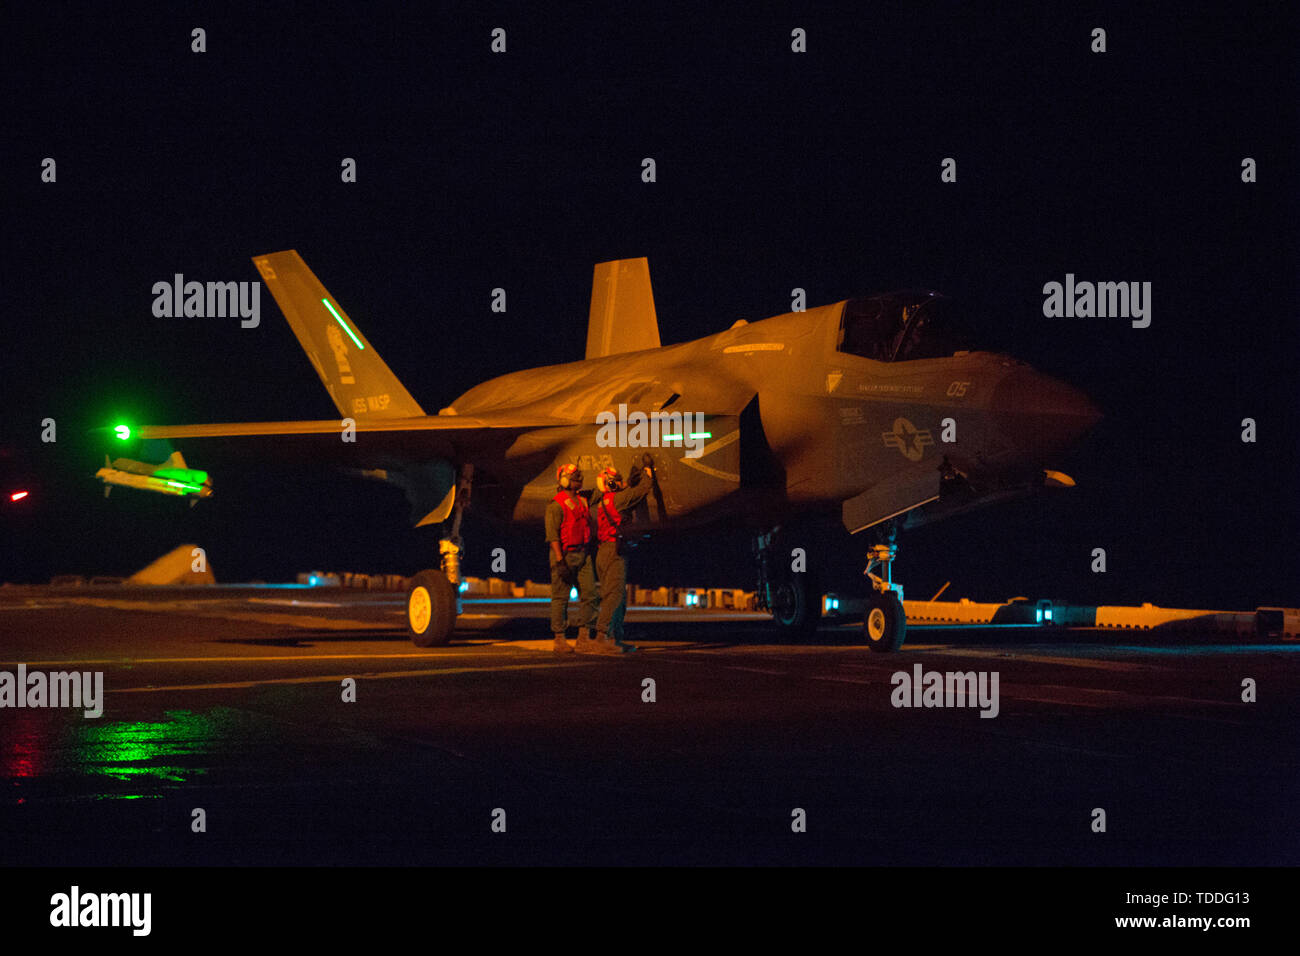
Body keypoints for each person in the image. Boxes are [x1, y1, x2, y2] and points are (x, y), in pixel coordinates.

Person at [592, 456, 656, 654]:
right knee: (615, 595)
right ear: (611, 483)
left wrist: (629, 479)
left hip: (604, 551)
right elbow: (642, 490)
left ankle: (615, 639)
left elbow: (626, 489)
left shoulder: (604, 501)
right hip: (614, 551)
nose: (620, 482)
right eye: (617, 480)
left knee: (617, 595)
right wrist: (647, 471)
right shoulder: (619, 499)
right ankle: (602, 637)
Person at [546, 463, 599, 654]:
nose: (579, 478)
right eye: (575, 476)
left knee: (590, 594)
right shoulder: (556, 504)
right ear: (565, 479)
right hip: (565, 555)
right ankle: (559, 639)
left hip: (583, 554)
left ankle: (584, 637)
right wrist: (560, 561)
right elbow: (552, 536)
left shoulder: (583, 501)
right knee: (560, 597)